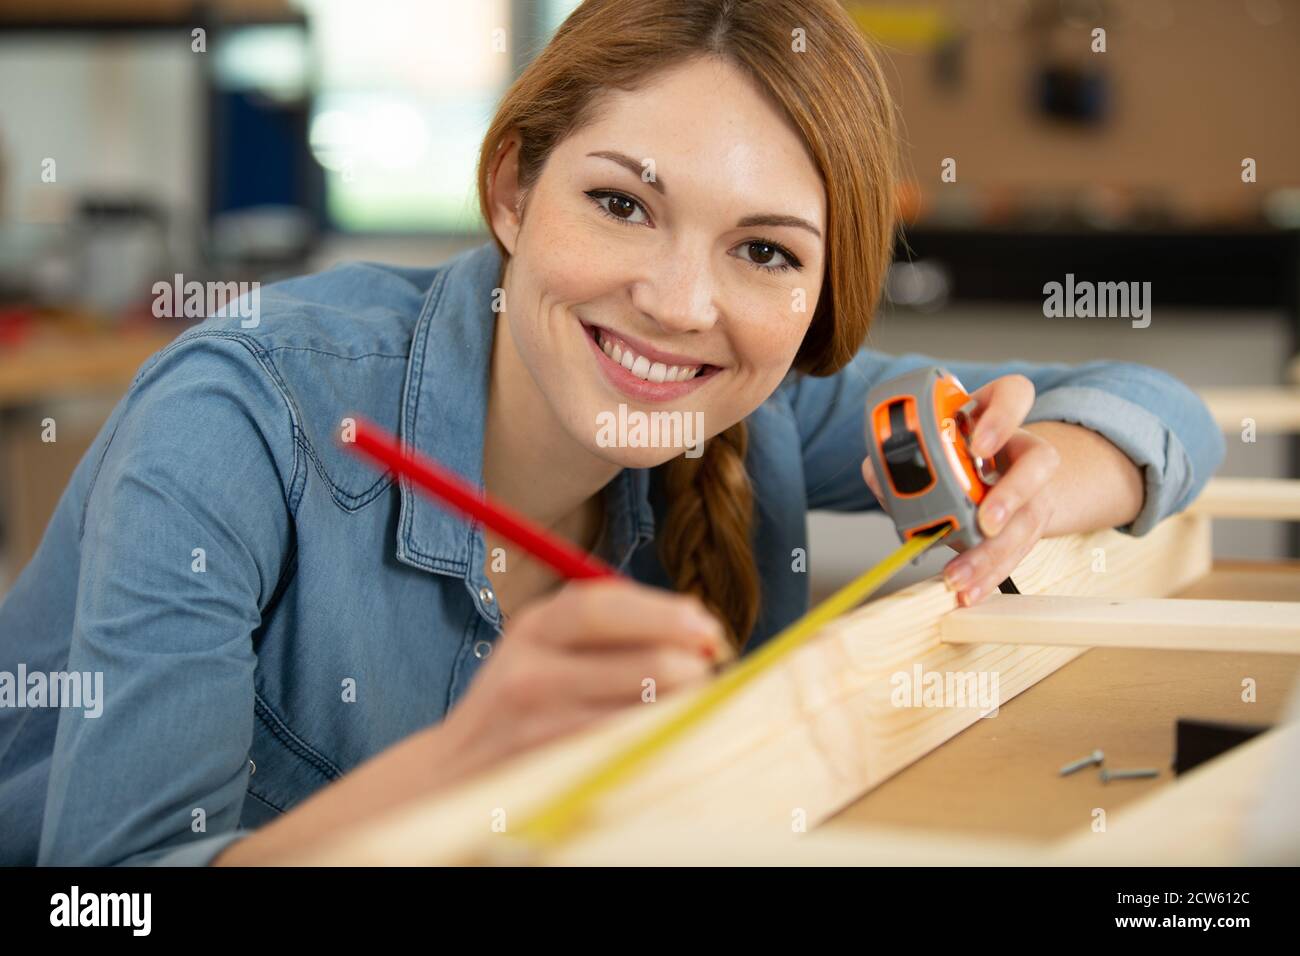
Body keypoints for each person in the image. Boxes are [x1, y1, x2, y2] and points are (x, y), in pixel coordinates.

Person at [0, 0, 1223, 866]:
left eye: (763, 251)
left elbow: (1156, 406)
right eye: (622, 203)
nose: (682, 305)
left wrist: (1059, 470)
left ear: (817, 297)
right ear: (512, 189)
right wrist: (454, 768)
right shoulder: (237, 416)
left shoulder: (767, 399)